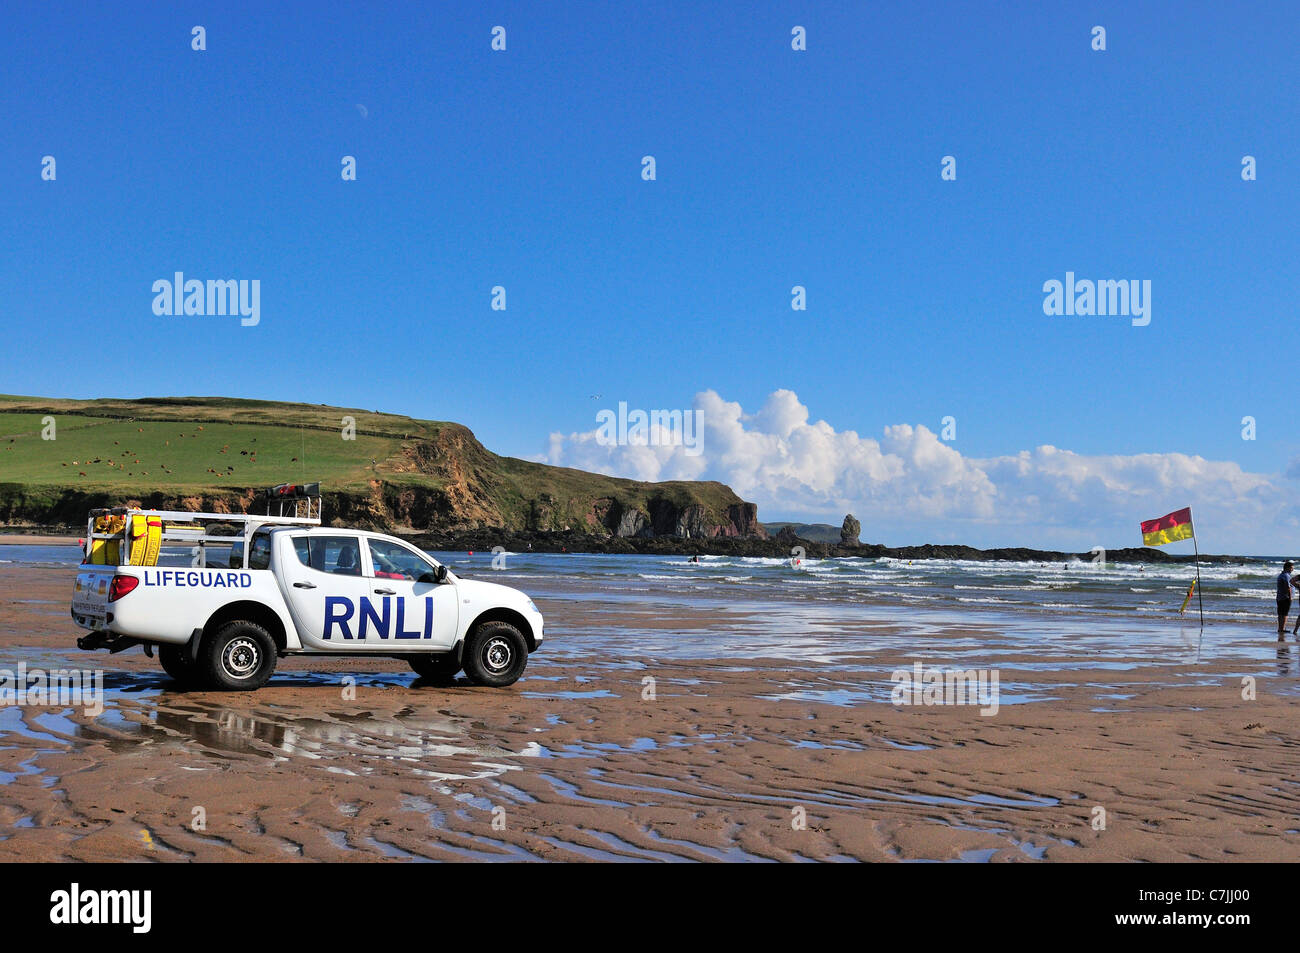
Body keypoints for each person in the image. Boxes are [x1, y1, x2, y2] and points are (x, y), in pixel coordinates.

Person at [1278, 561, 1295, 637]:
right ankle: (1282, 628)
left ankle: (1280, 628)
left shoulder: (1281, 575)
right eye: (1291, 568)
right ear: (1287, 568)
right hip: (1285, 597)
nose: (1292, 570)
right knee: (1284, 614)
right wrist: (1290, 597)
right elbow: (1288, 588)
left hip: (1280, 596)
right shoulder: (1286, 576)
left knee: (1281, 613)